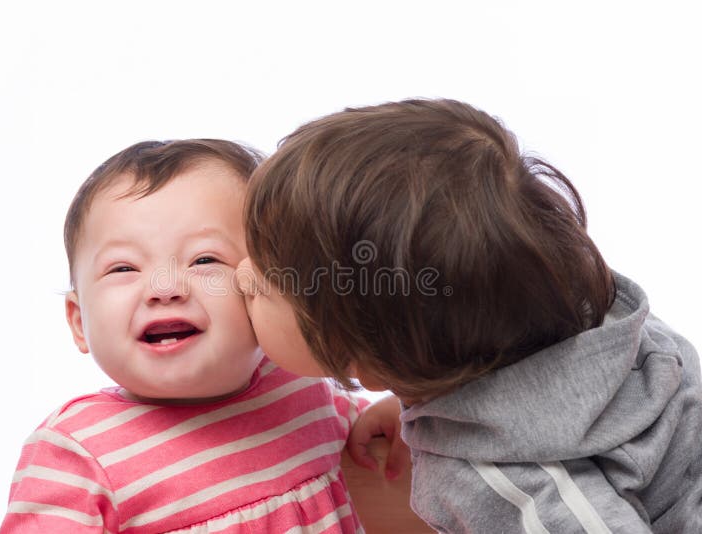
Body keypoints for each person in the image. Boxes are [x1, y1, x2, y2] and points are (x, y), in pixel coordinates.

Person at [237, 98, 702, 533]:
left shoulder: (499, 481)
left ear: (373, 360)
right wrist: (421, 402)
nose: (239, 276)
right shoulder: (584, 310)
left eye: (263, 284)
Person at [0, 139, 406, 533]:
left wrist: (385, 419)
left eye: (205, 260)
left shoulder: (299, 387)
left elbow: (360, 457)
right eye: (123, 268)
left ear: (262, 286)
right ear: (77, 321)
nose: (165, 287)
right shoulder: (76, 453)